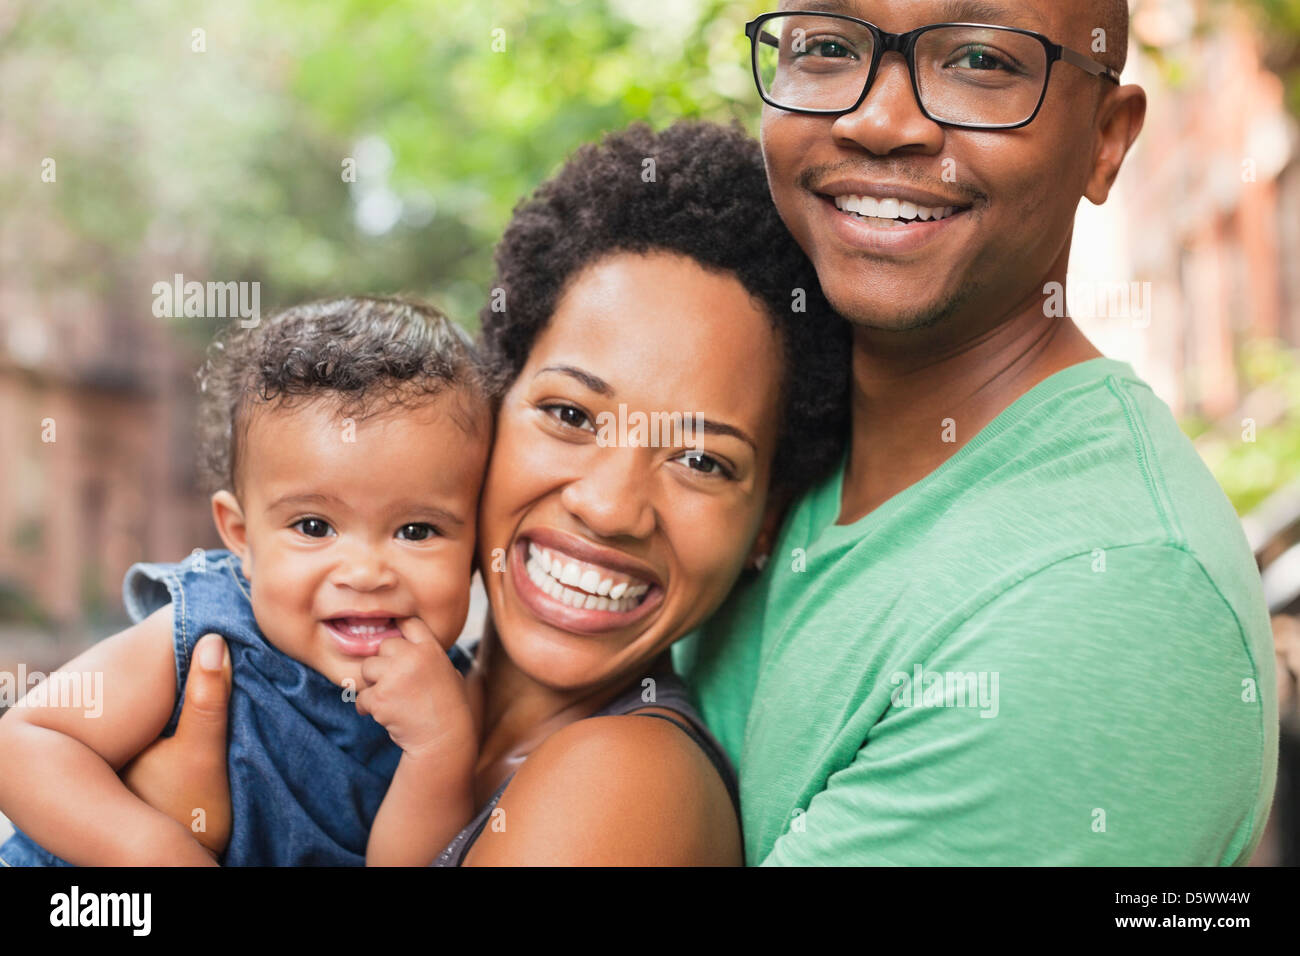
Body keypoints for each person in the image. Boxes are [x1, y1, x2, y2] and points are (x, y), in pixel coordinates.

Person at [29, 121, 852, 865]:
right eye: (569, 413)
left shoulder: (625, 781)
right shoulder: (348, 667)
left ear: (765, 524)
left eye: (704, 462)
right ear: (493, 417)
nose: (607, 505)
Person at [671, 0, 1278, 864]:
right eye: (828, 47)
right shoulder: (766, 432)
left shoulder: (1110, 599)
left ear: (1105, 139)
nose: (878, 120)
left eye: (982, 63)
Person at [0, 297, 493, 865]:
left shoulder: (451, 701)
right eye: (314, 526)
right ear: (240, 537)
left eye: (416, 529)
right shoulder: (211, 630)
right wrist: (155, 848)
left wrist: (438, 752)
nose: (364, 573)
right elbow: (27, 741)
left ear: (477, 548)